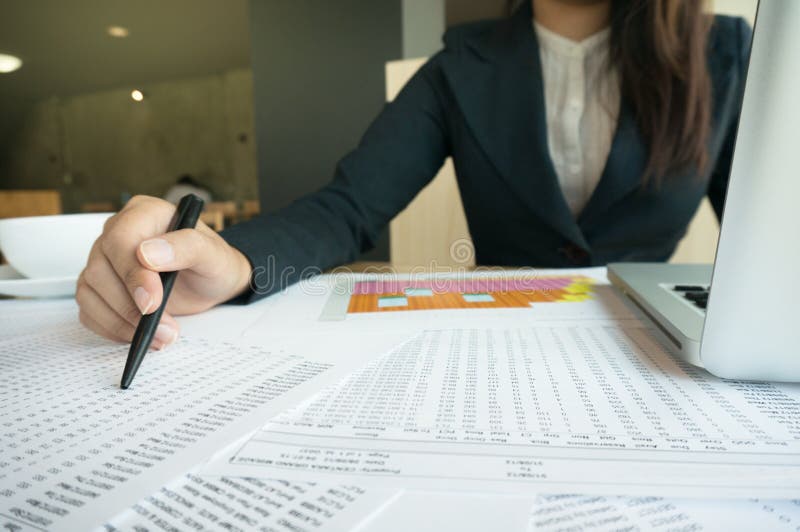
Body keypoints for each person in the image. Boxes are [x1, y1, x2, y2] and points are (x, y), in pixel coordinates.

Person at [77, 0, 751, 349]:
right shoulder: (459, 67)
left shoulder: (726, 53)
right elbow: (347, 208)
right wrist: (232, 259)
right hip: (497, 343)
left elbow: (769, 230)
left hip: (655, 346)